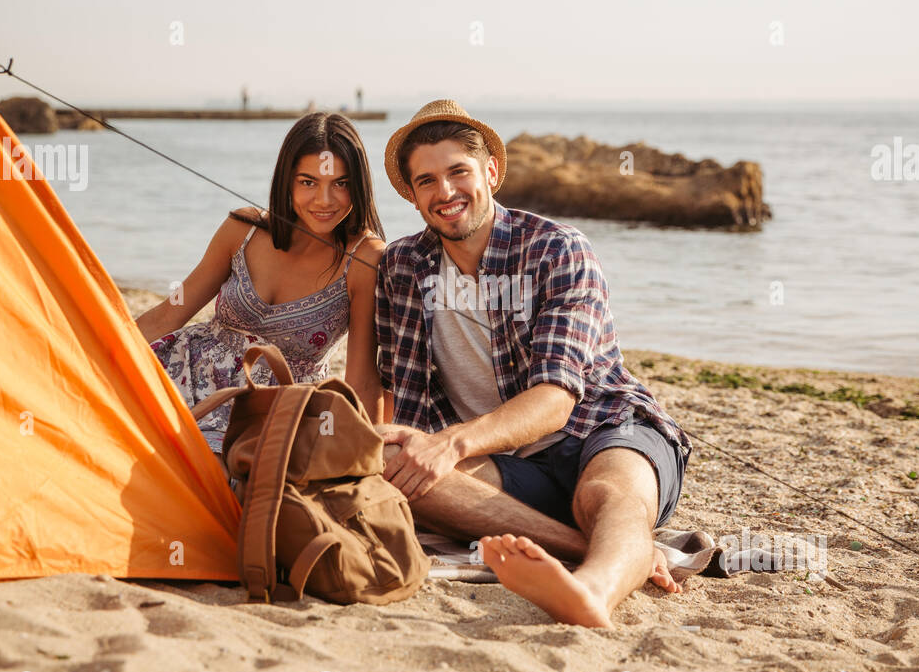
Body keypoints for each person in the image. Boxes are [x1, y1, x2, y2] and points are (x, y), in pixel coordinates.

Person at [374, 100, 692, 628]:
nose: (445, 192)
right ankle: (598, 547)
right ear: (411, 194)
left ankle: (590, 589)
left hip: (603, 427)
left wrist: (451, 444)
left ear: (491, 172)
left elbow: (555, 401)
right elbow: (407, 400)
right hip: (507, 465)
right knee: (388, 461)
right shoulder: (402, 267)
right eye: (426, 181)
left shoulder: (557, 250)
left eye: (459, 172)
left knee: (606, 494)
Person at [136, 112, 386, 456]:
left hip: (276, 409)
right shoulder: (243, 230)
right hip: (183, 377)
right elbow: (169, 314)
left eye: (340, 184)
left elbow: (361, 379)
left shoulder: (365, 259)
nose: (324, 200)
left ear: (358, 185)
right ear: (287, 180)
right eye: (308, 182)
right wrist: (96, 353)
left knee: (213, 476)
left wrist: (368, 461)